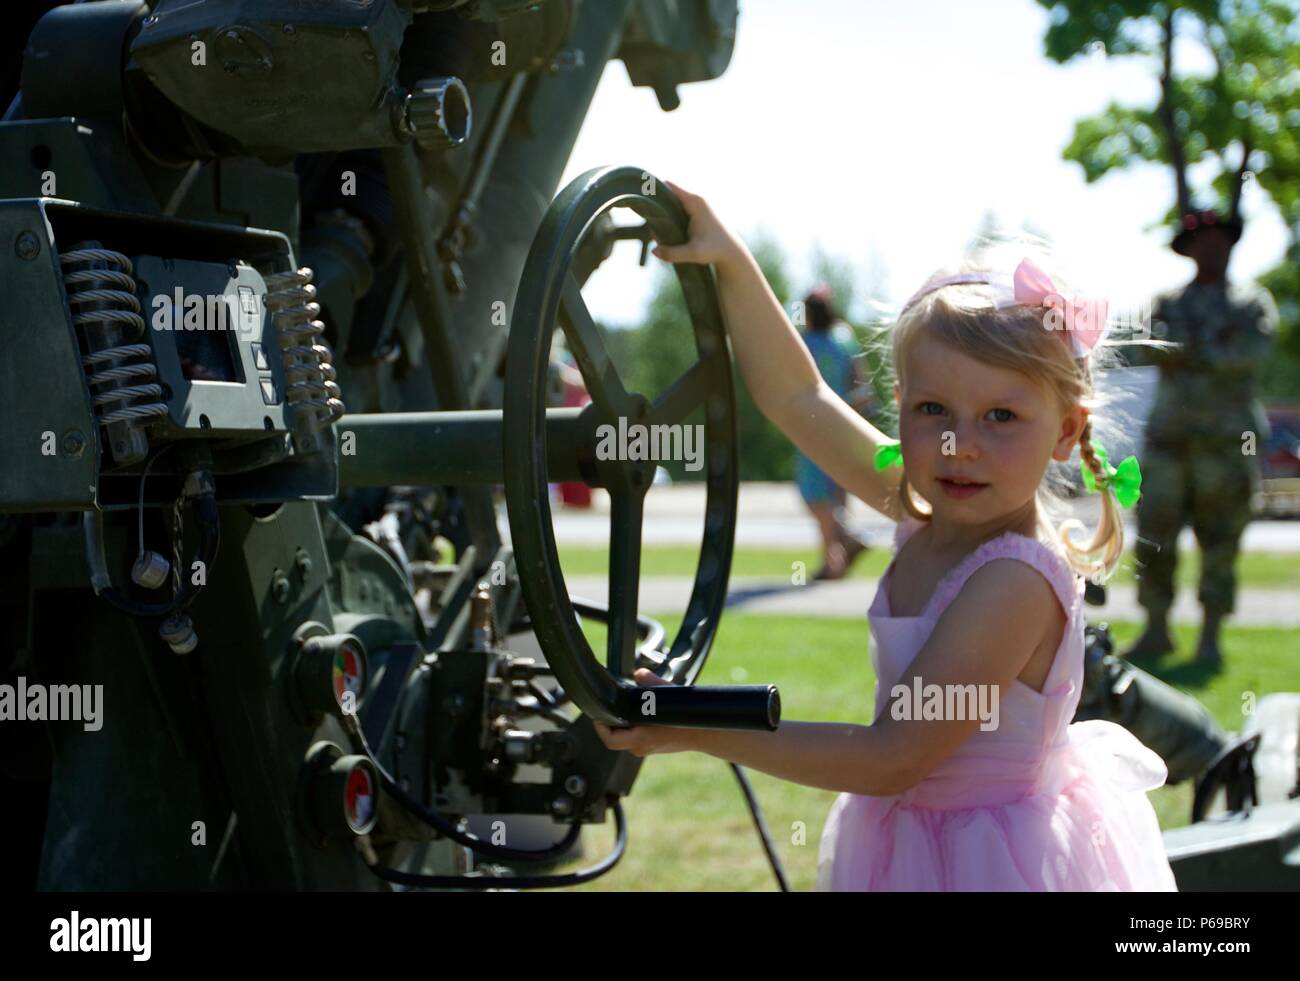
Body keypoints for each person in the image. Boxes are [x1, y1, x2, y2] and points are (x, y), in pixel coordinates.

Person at [593, 179, 1177, 891]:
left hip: (992, 863)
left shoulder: (1014, 581)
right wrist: (731, 259)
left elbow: (891, 757)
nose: (959, 445)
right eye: (934, 408)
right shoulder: (921, 511)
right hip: (911, 845)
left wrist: (690, 726)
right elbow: (798, 399)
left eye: (1000, 416)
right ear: (899, 407)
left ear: (1066, 431)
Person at [1123, 209, 1278, 667]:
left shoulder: (1250, 303)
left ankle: (1211, 635)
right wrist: (1201, 345)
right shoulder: (1165, 303)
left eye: (1220, 242)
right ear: (1188, 250)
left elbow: (1251, 353)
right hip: (1169, 442)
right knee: (1154, 536)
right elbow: (1141, 348)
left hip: (1227, 446)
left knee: (1221, 541)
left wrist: (1191, 348)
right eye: (1202, 243)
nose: (1212, 251)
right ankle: (1156, 629)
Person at [794, 284, 874, 579]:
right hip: (844, 427)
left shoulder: (805, 344)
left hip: (813, 428)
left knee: (814, 495)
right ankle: (838, 555)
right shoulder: (845, 341)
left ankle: (838, 553)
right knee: (835, 493)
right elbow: (862, 387)